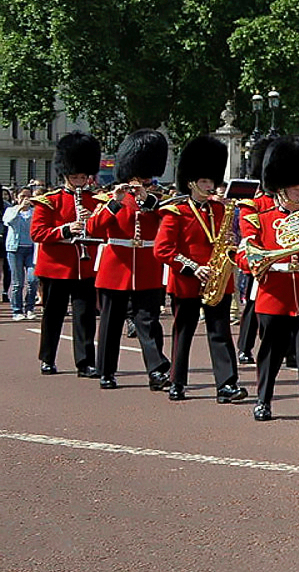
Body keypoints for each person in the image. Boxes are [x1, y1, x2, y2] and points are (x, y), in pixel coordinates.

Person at [241, 137, 299, 424]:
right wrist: (257, 262)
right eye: (298, 188)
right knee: (270, 351)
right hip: (275, 292)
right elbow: (246, 253)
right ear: (281, 187)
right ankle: (263, 400)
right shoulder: (258, 213)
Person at [153, 135, 246, 403]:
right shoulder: (176, 212)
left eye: (211, 181)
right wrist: (192, 267)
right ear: (192, 182)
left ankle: (227, 384)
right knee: (184, 333)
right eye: (204, 181)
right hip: (188, 281)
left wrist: (231, 245)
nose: (209, 186)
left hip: (218, 279)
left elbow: (227, 241)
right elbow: (163, 250)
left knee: (220, 333)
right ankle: (177, 382)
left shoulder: (221, 210)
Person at [92, 130, 174, 391]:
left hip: (147, 269)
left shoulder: (155, 201)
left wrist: (147, 199)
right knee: (111, 323)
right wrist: (115, 203)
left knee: (148, 323)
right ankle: (106, 371)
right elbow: (94, 229)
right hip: (116, 268)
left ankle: (157, 371)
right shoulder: (110, 199)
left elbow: (166, 222)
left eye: (148, 179)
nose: (145, 182)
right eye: (141, 178)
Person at [30, 133, 104, 376]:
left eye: (83, 177)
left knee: (84, 317)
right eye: (75, 177)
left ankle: (85, 362)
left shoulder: (95, 201)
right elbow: (38, 233)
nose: (80, 181)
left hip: (84, 267)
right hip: (56, 267)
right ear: (65, 176)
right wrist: (66, 229)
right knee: (53, 316)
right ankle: (47, 358)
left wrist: (90, 224)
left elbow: (103, 231)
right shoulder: (49, 201)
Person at [5, 186, 34, 319]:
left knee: (33, 280)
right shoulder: (11, 210)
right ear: (17, 198)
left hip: (31, 248)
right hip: (15, 249)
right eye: (22, 196)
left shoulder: (35, 212)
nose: (25, 199)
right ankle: (17, 310)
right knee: (18, 282)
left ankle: (30, 308)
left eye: (28, 196)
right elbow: (8, 221)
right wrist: (19, 209)